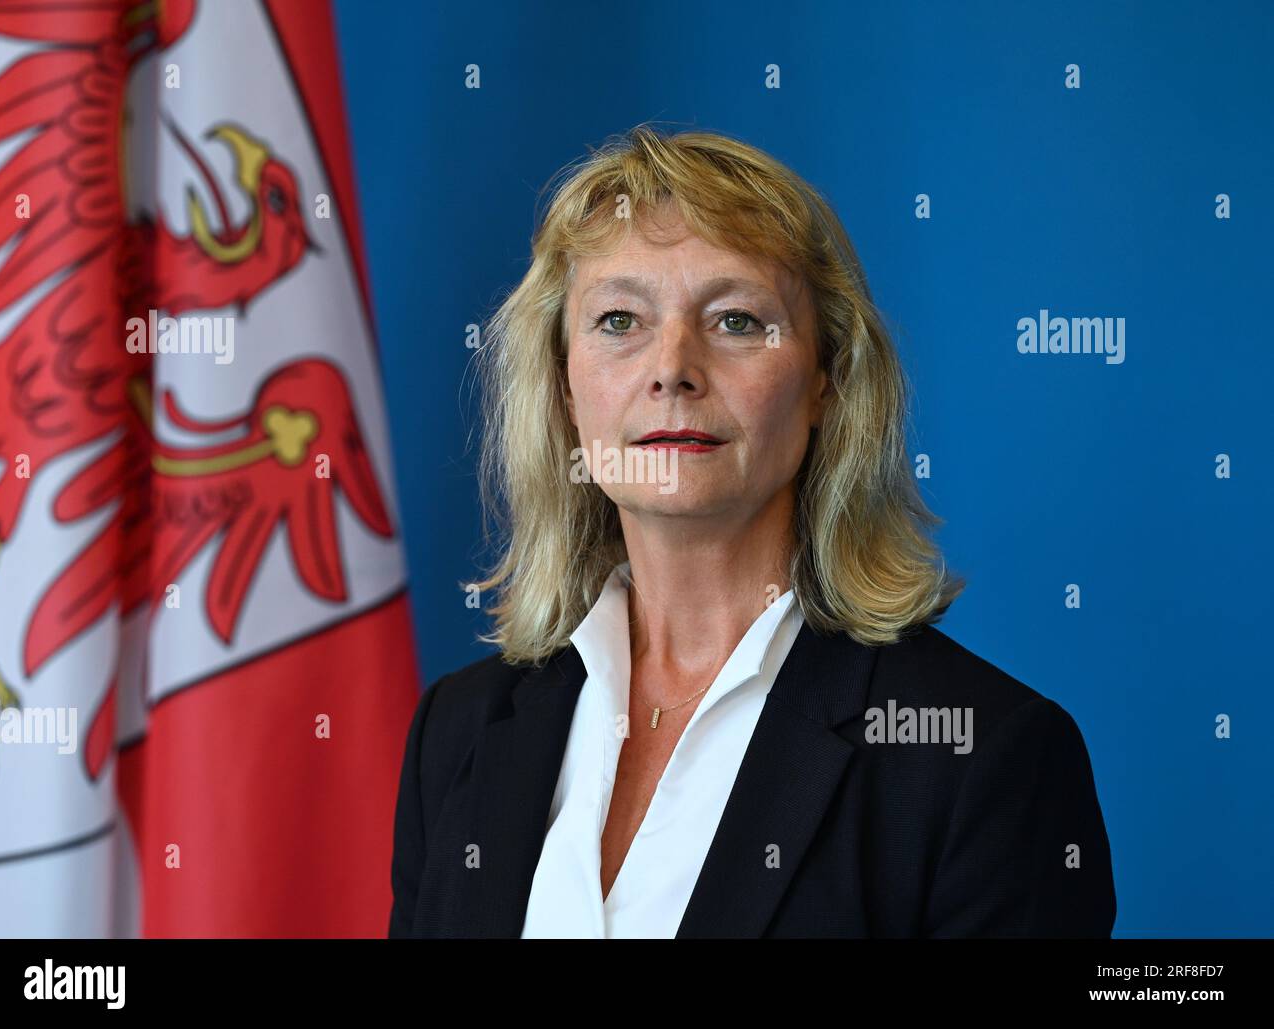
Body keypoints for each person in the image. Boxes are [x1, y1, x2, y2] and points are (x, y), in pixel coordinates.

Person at [389, 124, 1116, 938]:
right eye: (620, 319)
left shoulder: (982, 758)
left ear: (826, 384)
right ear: (564, 389)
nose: (672, 366)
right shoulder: (455, 734)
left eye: (735, 320)